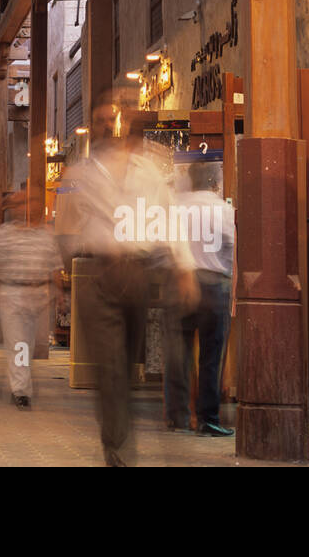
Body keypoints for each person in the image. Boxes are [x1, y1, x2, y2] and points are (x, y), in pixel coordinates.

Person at [56, 91, 198, 466]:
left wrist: (184, 268)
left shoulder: (149, 171)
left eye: (112, 118)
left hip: (137, 274)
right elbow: (65, 225)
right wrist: (64, 270)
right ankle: (117, 451)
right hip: (97, 274)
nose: (107, 125)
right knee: (109, 368)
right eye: (100, 119)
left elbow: (169, 218)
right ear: (92, 127)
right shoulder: (81, 173)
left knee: (127, 367)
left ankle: (119, 436)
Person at [162, 160, 235, 437]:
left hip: (178, 283)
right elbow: (230, 247)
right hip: (214, 285)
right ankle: (208, 419)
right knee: (210, 356)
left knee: (178, 355)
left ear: (190, 181)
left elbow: (164, 246)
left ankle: (177, 417)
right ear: (213, 182)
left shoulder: (175, 207)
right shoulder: (223, 209)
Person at [0, 191, 63, 409]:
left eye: (27, 204)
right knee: (18, 342)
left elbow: (55, 266)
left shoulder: (46, 235)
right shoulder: (2, 234)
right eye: (19, 204)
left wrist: (59, 295)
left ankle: (20, 381)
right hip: (11, 293)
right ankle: (21, 391)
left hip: (38, 295)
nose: (23, 208)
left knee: (29, 345)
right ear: (12, 209)